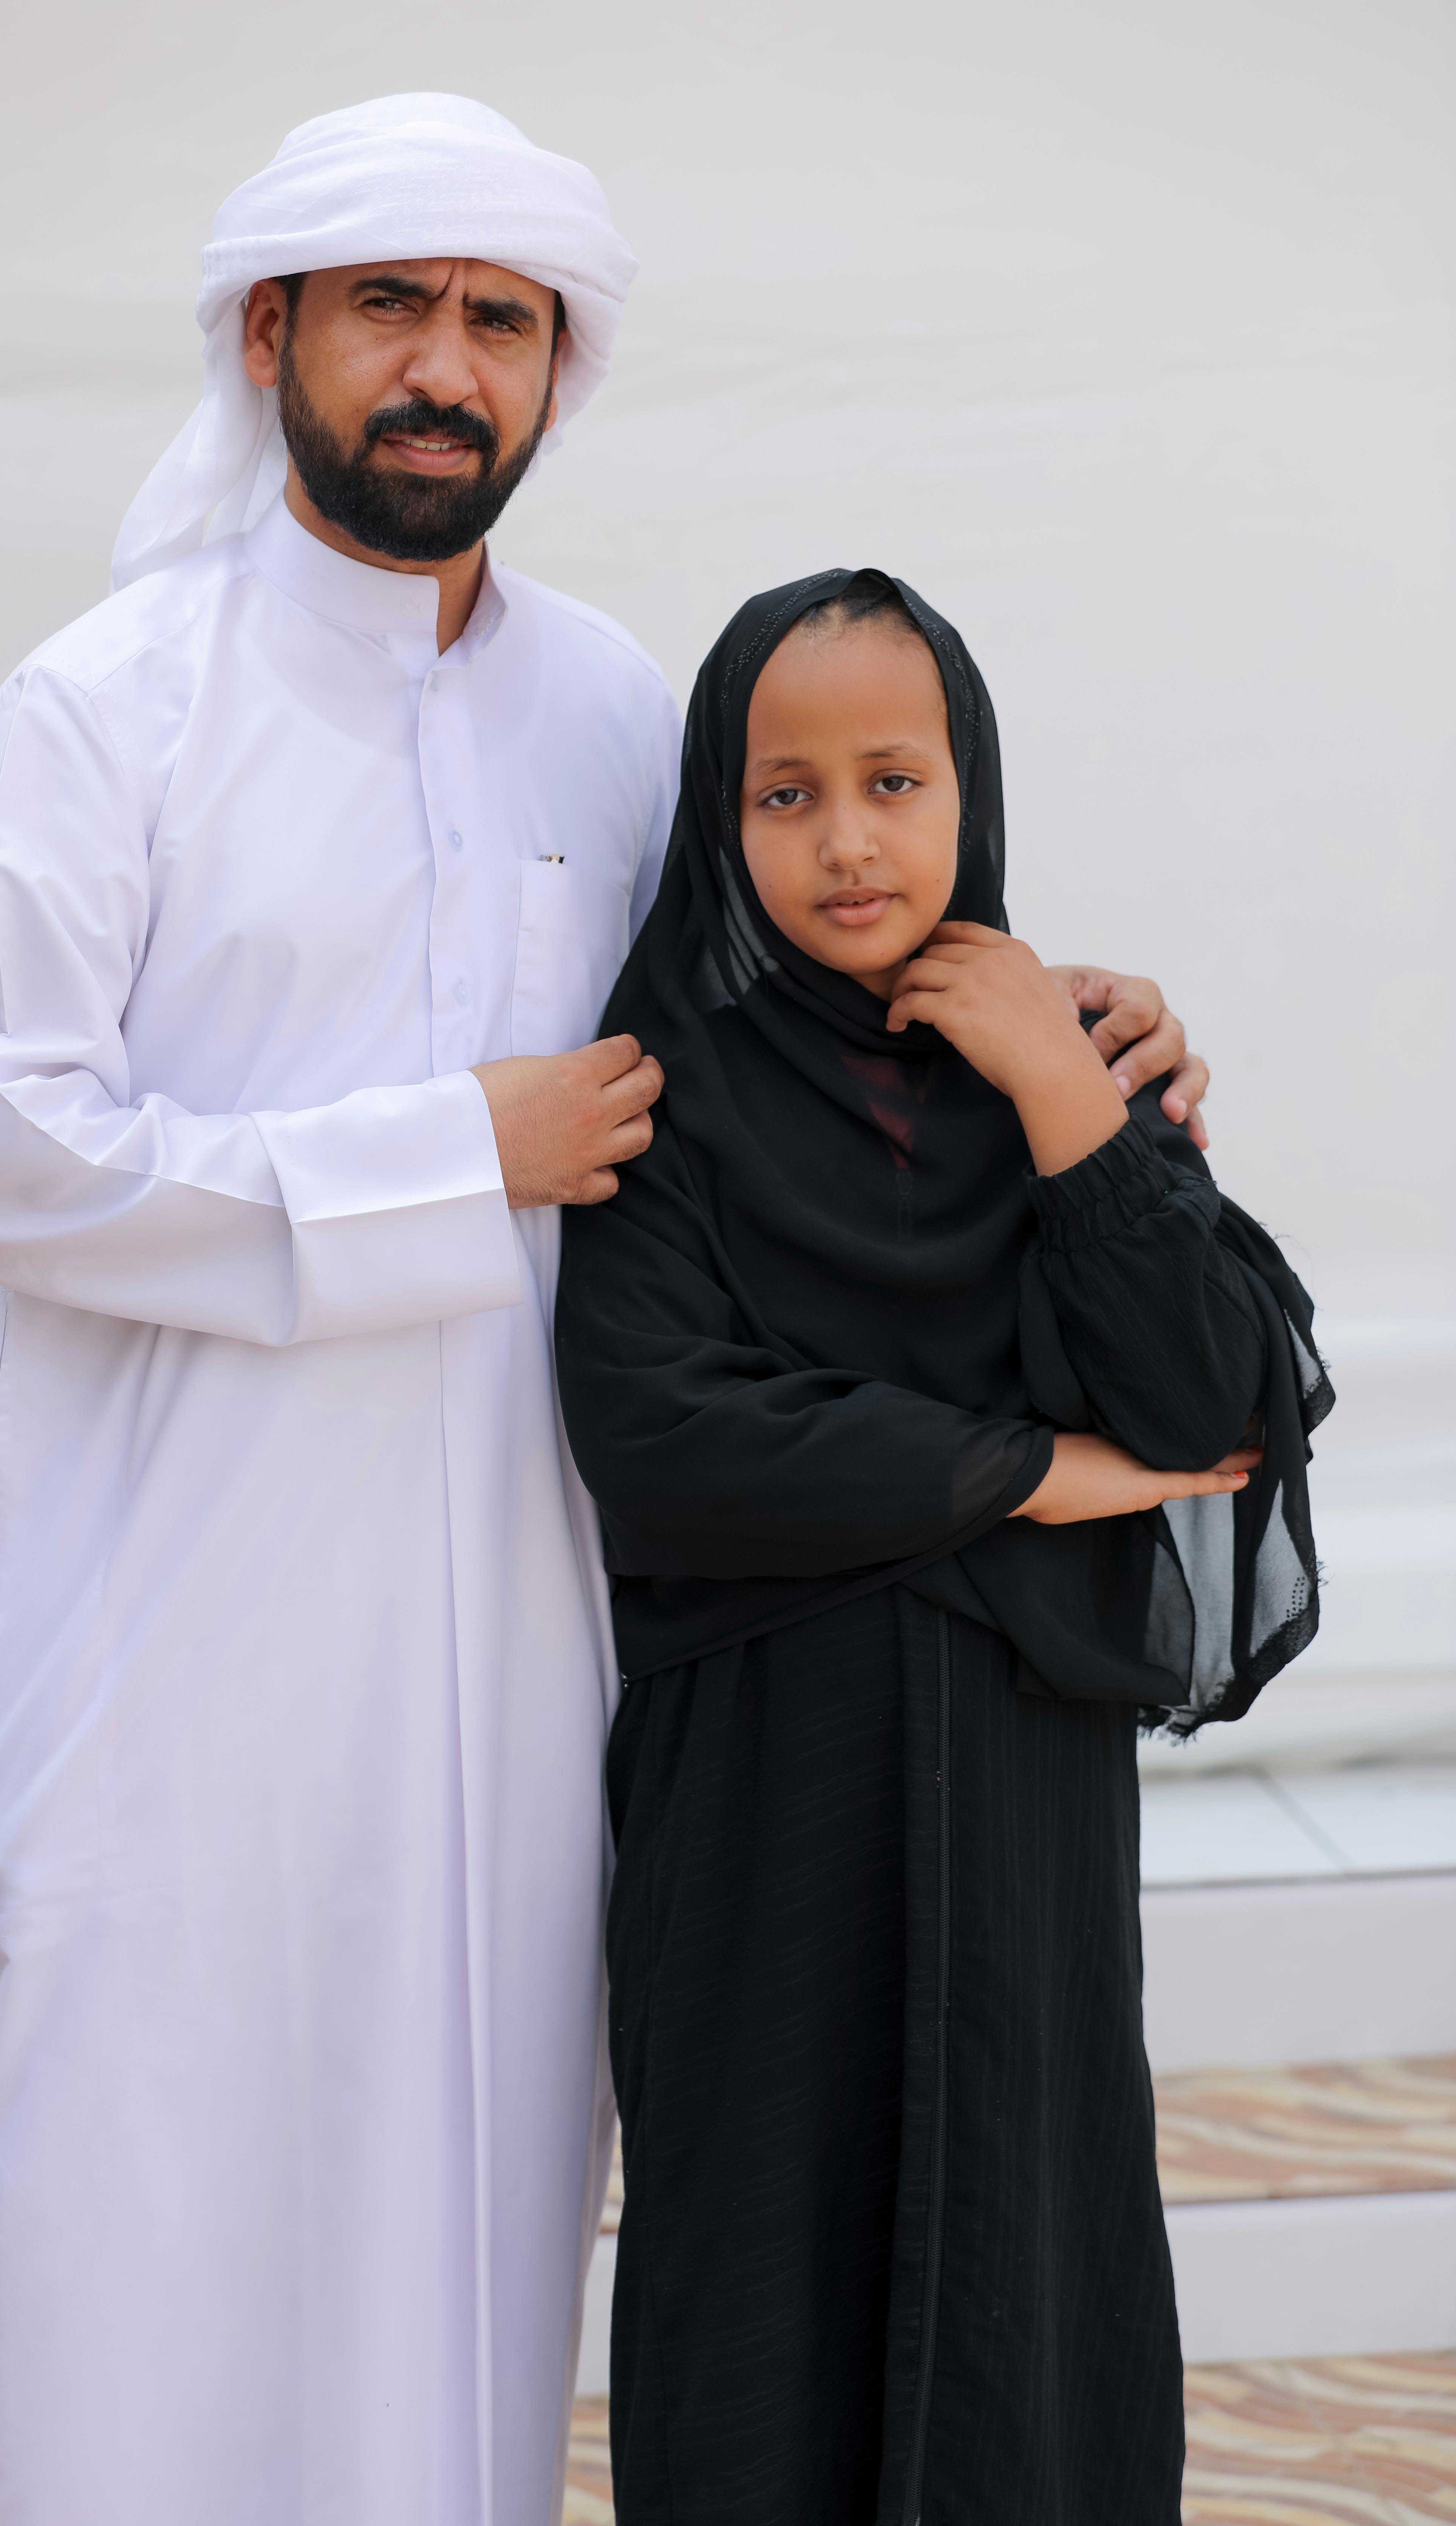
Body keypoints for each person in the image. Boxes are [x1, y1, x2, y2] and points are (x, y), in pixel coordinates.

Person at [0, 90, 1216, 2526]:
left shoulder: (622, 712)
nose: (446, 366)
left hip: (524, 1679)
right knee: (138, 2265)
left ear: (553, 371)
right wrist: (448, 1156)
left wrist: (1076, 1018)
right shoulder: (101, 713)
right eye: (393, 306)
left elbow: (819, 964)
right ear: (272, 334)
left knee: (464, 2292)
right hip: (167, 1658)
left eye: (500, 321)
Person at [553, 570, 1330, 2526]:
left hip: (1018, 1801)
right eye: (784, 793)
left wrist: (1068, 1095)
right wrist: (1022, 1476)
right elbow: (661, 1435)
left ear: (969, 789)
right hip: (758, 1808)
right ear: (719, 825)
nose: (847, 840)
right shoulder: (671, 1087)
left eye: (894, 780)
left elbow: (1214, 1402)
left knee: (1022, 2260)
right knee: (764, 2287)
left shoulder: (1067, 1067)